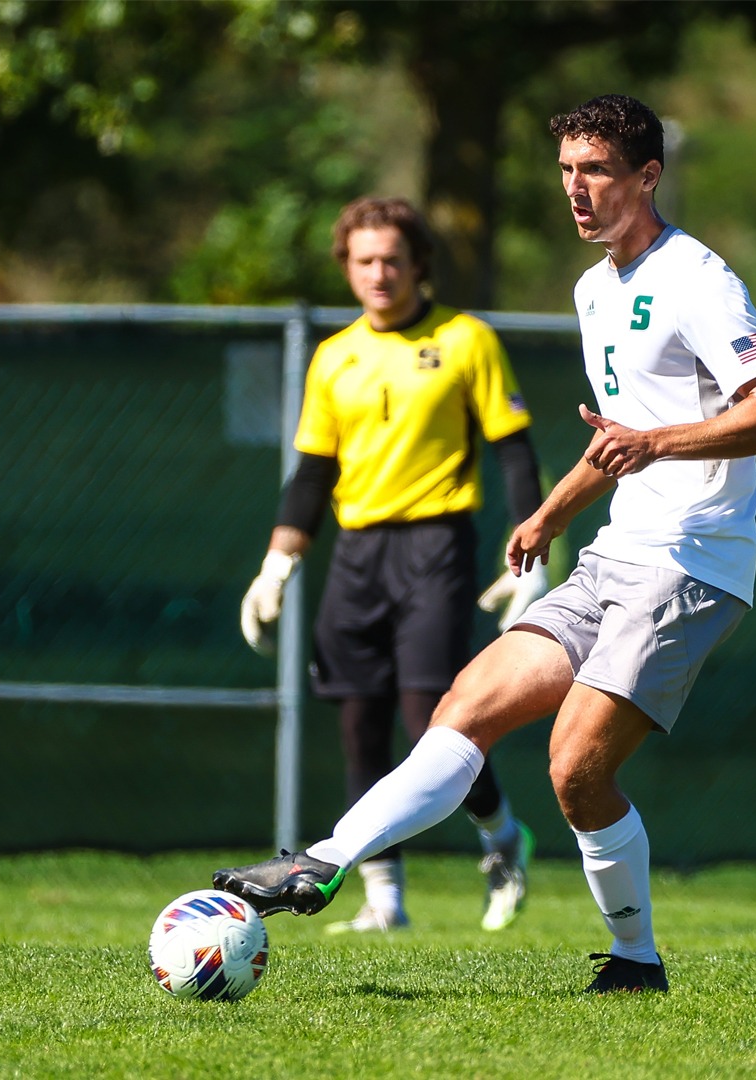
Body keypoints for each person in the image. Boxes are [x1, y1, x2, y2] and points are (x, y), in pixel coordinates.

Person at [215, 94, 756, 993]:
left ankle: (636, 960)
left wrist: (654, 446)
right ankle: (325, 864)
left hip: (692, 562)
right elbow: (622, 433)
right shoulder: (593, 287)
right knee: (466, 703)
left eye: (596, 170)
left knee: (575, 768)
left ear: (647, 175)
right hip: (617, 550)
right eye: (567, 169)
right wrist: (556, 514)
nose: (576, 188)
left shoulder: (697, 279)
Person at [236, 196, 549, 934]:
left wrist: (530, 551)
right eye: (364, 260)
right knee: (360, 727)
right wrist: (277, 564)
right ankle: (385, 902)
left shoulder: (466, 339)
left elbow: (514, 449)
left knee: (433, 719)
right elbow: (311, 473)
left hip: (436, 546)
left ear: (419, 266)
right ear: (348, 267)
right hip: (356, 555)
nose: (380, 273)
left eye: (393, 259)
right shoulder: (333, 355)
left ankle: (502, 840)